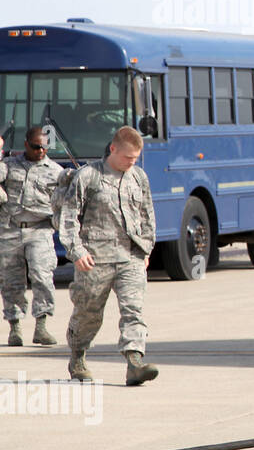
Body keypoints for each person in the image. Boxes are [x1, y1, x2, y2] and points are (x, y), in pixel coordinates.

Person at [60, 126, 158, 385]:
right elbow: (68, 219)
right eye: (127, 157)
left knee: (133, 310)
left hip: (130, 256)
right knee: (89, 312)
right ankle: (77, 355)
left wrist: (146, 249)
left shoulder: (138, 178)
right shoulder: (88, 177)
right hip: (94, 259)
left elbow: (148, 216)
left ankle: (134, 362)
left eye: (135, 158)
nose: (131, 162)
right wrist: (77, 251)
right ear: (113, 149)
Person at [1, 128, 64, 347]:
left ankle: (41, 326)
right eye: (36, 147)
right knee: (11, 281)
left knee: (42, 275)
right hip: (10, 229)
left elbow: (64, 202)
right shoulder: (9, 166)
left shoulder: (55, 171)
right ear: (26, 144)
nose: (41, 151)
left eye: (45, 147)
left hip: (40, 230)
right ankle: (15, 327)